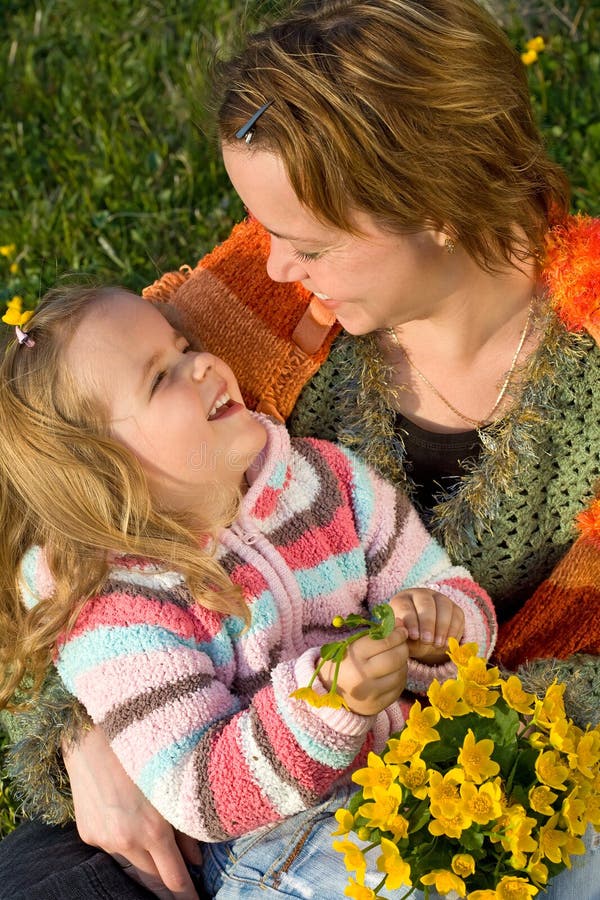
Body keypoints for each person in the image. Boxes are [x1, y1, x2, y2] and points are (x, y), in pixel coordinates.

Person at [1, 0, 599, 897]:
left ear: (436, 203)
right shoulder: (257, 311)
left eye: (307, 243)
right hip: (221, 784)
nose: (274, 265)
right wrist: (81, 733)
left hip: (499, 797)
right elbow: (64, 486)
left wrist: (461, 719)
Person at [0, 285, 496, 899]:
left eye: (183, 348)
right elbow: (201, 786)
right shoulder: (117, 605)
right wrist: (329, 698)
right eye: (160, 379)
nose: (202, 364)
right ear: (102, 470)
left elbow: (449, 588)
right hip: (275, 845)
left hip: (420, 787)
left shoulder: (324, 480)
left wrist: (441, 625)